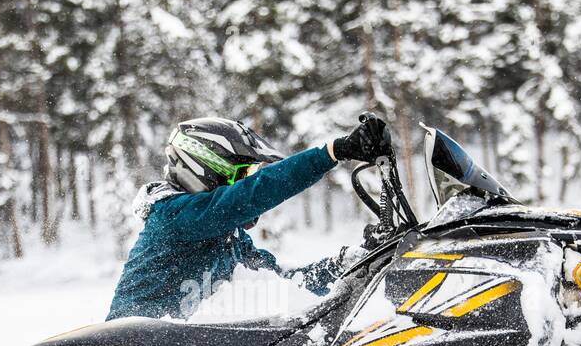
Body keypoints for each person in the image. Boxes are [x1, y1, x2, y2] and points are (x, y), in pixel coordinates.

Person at [106, 115, 390, 320]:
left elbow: (286, 285)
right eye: (241, 175)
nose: (246, 183)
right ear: (205, 168)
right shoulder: (172, 217)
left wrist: (352, 261)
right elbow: (252, 193)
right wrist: (332, 152)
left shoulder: (229, 241)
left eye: (248, 176)